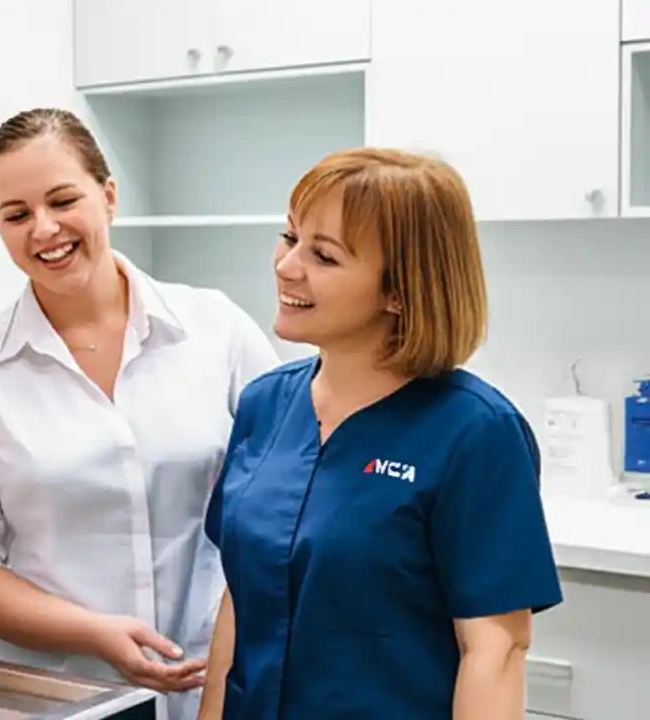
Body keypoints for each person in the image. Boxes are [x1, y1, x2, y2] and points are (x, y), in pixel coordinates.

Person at [0, 107, 280, 719]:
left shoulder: (215, 330)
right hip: (49, 700)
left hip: (206, 691)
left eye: (63, 200)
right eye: (17, 214)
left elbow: (287, 494)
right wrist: (93, 632)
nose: (44, 229)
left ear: (108, 196)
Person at [197, 147, 564, 719]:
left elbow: (495, 649)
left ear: (400, 290)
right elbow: (238, 603)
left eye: (323, 255)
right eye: (289, 237)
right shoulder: (265, 404)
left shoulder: (474, 433)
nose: (286, 265)